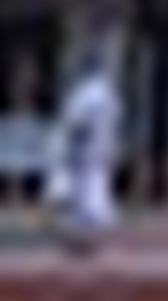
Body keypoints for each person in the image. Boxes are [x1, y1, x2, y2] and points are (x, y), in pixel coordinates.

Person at [46, 45, 122, 251]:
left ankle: (81, 239)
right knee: (94, 191)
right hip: (100, 147)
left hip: (84, 147)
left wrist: (70, 146)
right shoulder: (109, 93)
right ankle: (89, 237)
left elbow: (76, 122)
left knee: (81, 194)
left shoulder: (87, 93)